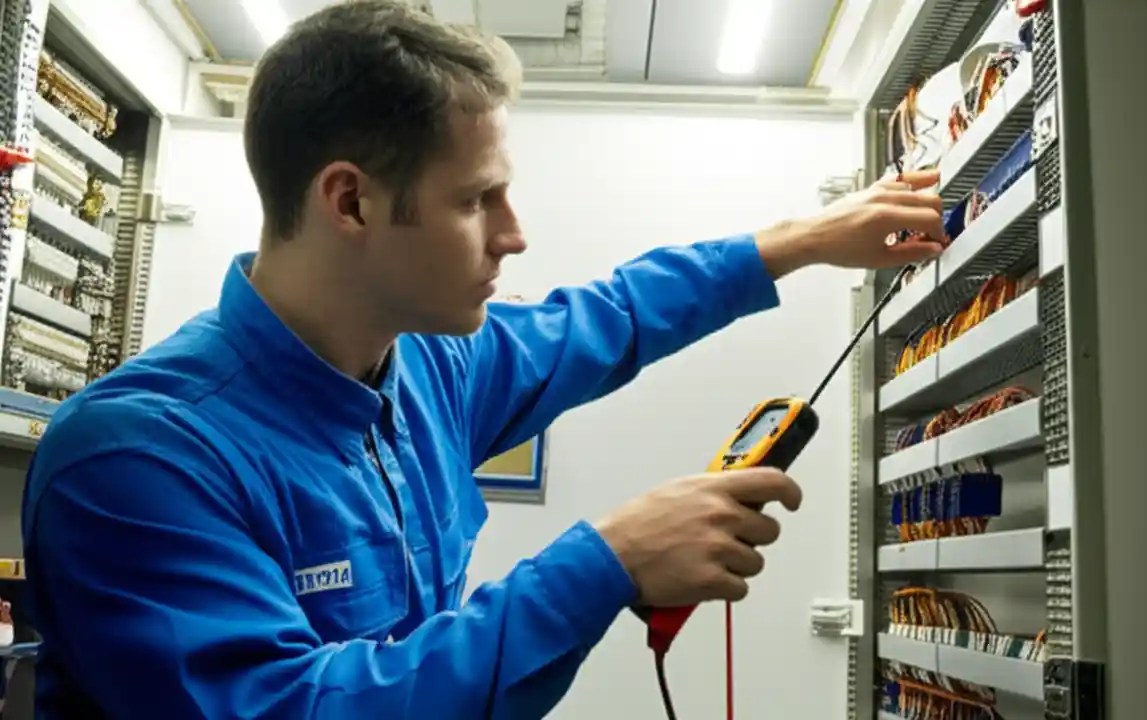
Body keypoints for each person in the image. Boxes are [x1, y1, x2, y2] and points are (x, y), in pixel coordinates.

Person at [19, 2, 945, 718]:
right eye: (478, 201)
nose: (514, 235)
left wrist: (806, 239)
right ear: (350, 203)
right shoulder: (136, 460)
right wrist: (606, 562)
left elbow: (615, 316)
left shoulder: (428, 370)